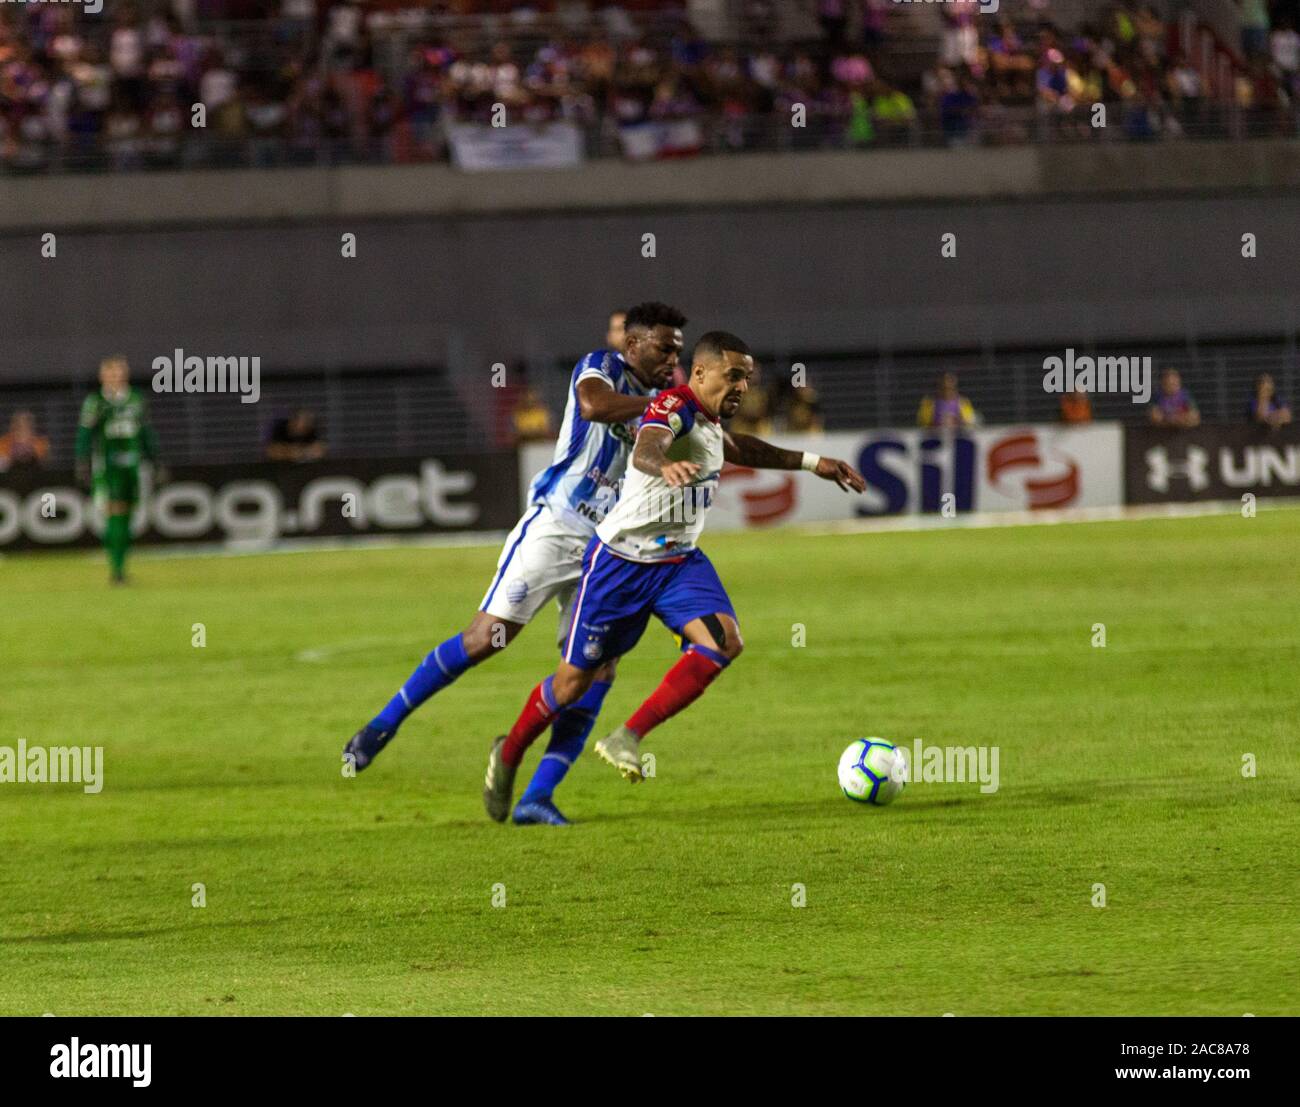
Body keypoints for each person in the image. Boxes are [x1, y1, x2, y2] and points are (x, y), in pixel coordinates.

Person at [483, 332, 866, 817]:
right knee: (572, 683)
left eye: (747, 378)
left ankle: (627, 736)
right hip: (619, 565)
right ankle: (510, 751)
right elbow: (648, 444)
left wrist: (815, 463)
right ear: (700, 372)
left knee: (724, 642)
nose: (743, 387)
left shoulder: (707, 421)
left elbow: (741, 449)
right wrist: (661, 465)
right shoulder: (674, 405)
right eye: (733, 376)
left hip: (677, 563)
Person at [342, 302, 687, 826]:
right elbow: (592, 406)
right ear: (633, 345)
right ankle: (383, 725)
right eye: (664, 348)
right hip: (558, 526)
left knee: (595, 669)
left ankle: (537, 795)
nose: (671, 360)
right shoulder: (602, 367)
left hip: (610, 548)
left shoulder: (668, 403)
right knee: (487, 639)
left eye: (678, 352)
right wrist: (655, 403)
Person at [75, 356, 161, 585]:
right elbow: (85, 433)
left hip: (132, 466)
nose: (115, 377)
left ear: (125, 375)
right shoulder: (96, 402)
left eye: (118, 373)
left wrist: (156, 460)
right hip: (108, 466)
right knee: (114, 513)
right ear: (102, 376)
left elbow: (146, 433)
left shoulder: (136, 400)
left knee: (128, 516)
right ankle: (117, 570)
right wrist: (82, 461)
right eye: (110, 373)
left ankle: (120, 566)